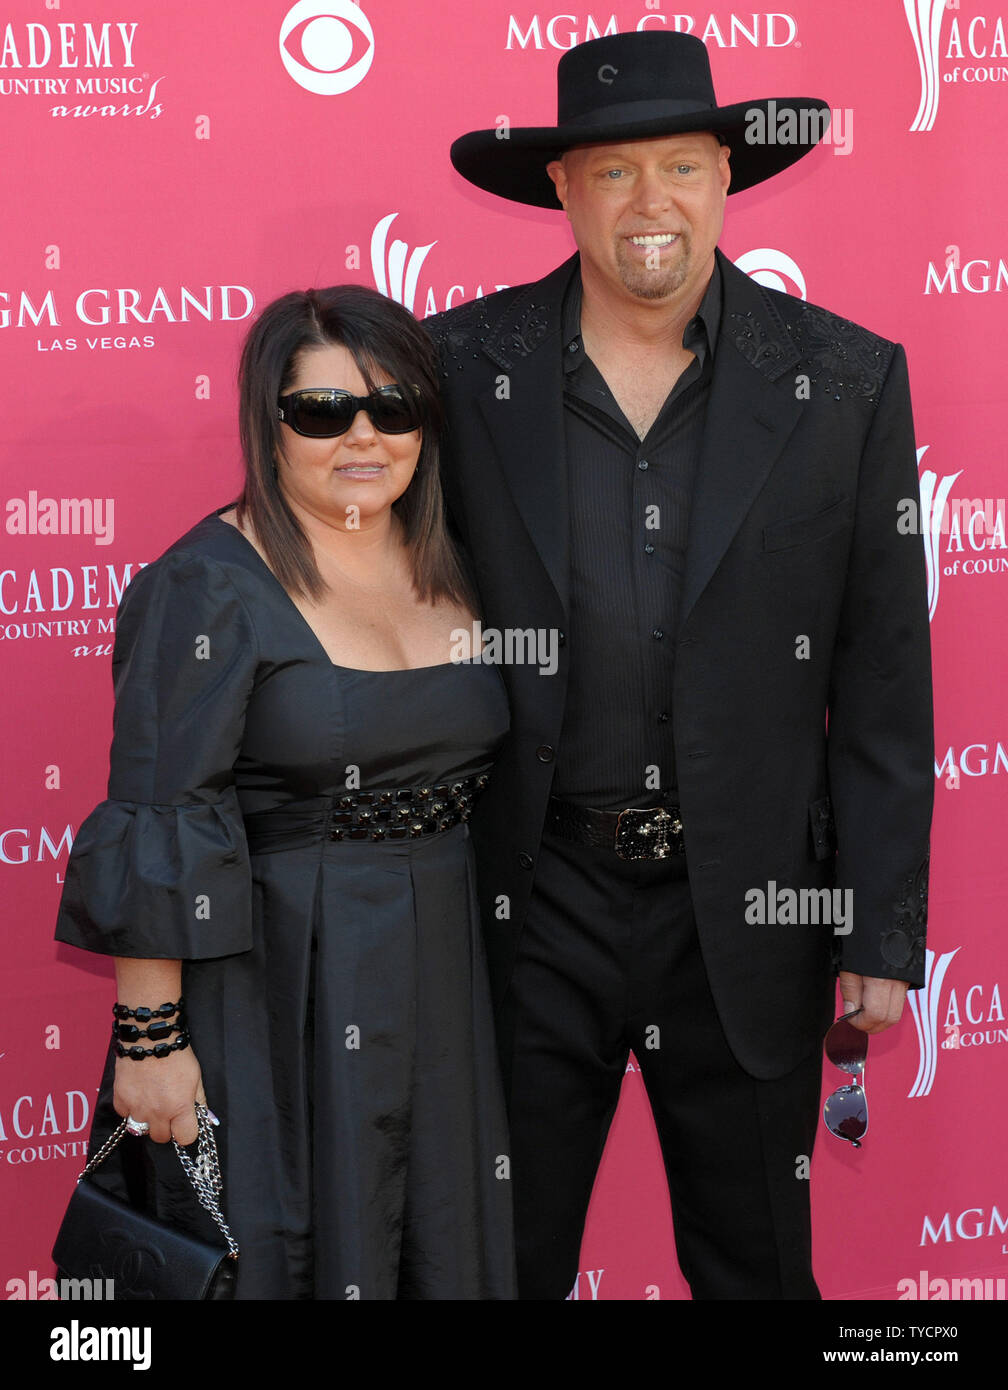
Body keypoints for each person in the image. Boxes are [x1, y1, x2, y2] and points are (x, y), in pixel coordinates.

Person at [428, 31, 934, 1299]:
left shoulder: (847, 381)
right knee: (498, 1265)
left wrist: (879, 928)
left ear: (727, 177)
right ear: (561, 187)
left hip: (753, 913)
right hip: (528, 904)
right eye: (612, 172)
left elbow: (881, 681)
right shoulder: (457, 373)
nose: (651, 204)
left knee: (759, 1265)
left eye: (681, 167)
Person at [54, 284, 516, 1300]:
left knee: (436, 1251)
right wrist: (151, 1043)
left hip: (441, 983)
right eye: (322, 411)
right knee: (280, 1254)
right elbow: (161, 812)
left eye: (394, 407)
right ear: (268, 423)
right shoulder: (208, 584)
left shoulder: (459, 564)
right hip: (273, 990)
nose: (365, 435)